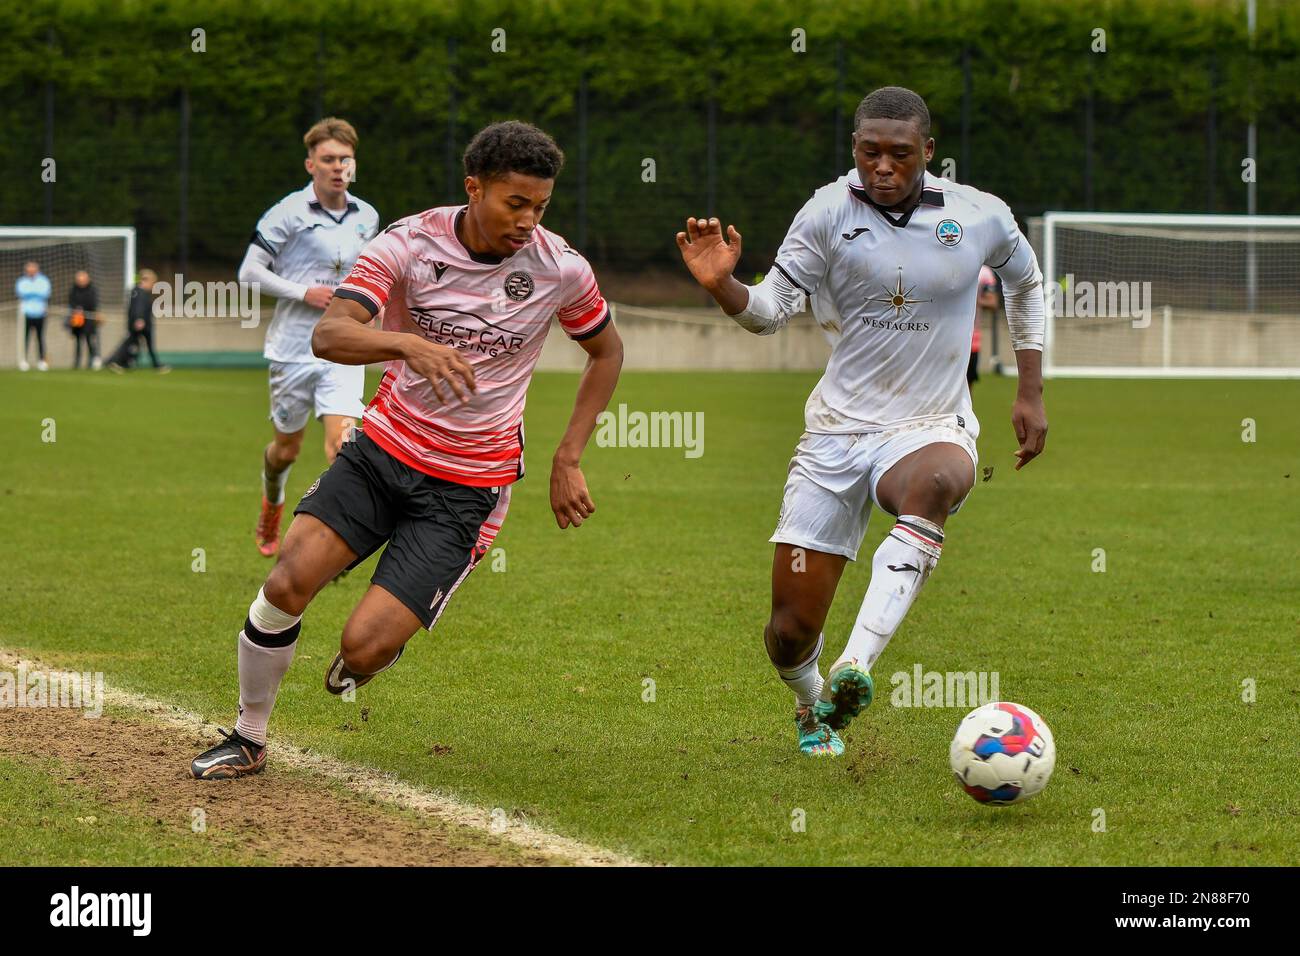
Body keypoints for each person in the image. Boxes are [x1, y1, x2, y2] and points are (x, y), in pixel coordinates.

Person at [191, 120, 623, 779]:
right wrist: (409, 344)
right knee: (287, 580)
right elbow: (331, 335)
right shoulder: (408, 242)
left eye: (541, 205)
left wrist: (568, 457)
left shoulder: (559, 268)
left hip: (467, 488)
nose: (529, 221)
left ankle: (368, 657)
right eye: (516, 203)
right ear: (474, 188)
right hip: (382, 454)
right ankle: (249, 738)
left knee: (361, 650)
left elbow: (606, 349)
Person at [675, 86, 1048, 757]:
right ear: (854, 148)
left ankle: (857, 665)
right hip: (836, 435)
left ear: (928, 153)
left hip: (931, 422)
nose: (882, 165)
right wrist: (721, 286)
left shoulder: (979, 216)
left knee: (937, 480)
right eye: (869, 151)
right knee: (788, 630)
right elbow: (769, 312)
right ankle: (814, 700)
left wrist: (1029, 390)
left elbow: (1025, 281)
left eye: (899, 154)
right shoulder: (824, 213)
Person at [237, 117, 380, 557]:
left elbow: (371, 275)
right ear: (310, 165)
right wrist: (304, 292)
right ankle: (272, 501)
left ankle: (329, 542)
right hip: (293, 349)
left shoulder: (368, 216)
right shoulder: (287, 214)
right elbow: (248, 272)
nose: (339, 167)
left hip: (342, 344)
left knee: (343, 446)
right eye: (329, 159)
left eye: (345, 159)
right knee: (286, 450)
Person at [106, 269, 169, 372]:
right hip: (141, 323)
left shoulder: (136, 291)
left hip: (140, 323)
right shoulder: (140, 292)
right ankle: (117, 362)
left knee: (137, 344)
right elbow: (138, 307)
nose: (153, 286)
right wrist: (139, 319)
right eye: (152, 283)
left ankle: (153, 364)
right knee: (132, 343)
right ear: (147, 281)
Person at [16, 261, 51, 372]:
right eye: (29, 269)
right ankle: (24, 360)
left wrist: (31, 293)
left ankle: (42, 360)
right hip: (26, 313)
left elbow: (45, 293)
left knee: (40, 337)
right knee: (25, 338)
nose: (31, 271)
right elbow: (21, 292)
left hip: (40, 312)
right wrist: (34, 293)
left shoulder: (43, 280)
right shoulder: (22, 281)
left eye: (33, 269)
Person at [970, 264, 999, 387]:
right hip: (945, 333)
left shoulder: (984, 272)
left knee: (968, 380)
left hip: (972, 336)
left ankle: (968, 407)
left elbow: (993, 303)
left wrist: (973, 300)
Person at [67, 270, 100, 370]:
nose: (81, 281)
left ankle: (92, 361)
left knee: (90, 340)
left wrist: (83, 310)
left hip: (89, 320)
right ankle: (77, 362)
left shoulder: (92, 290)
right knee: (78, 341)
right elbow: (71, 302)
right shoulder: (73, 290)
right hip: (77, 320)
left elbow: (93, 304)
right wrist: (76, 310)